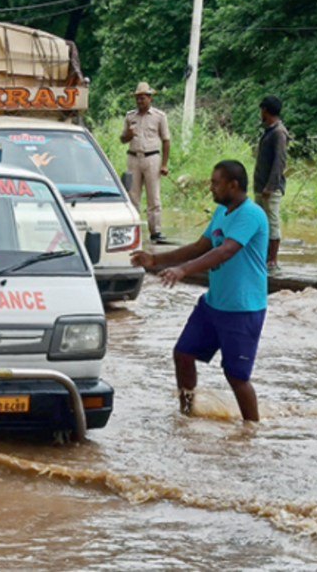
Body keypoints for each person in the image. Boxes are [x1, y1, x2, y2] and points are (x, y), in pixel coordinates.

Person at [131, 161, 269, 422]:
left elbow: (225, 250)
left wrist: (183, 271)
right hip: (213, 305)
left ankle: (251, 431)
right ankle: (187, 414)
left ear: (233, 185)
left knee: (236, 376)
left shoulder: (251, 215)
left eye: (215, 183)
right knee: (183, 354)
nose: (210, 188)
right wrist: (156, 259)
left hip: (242, 309)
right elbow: (200, 247)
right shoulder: (221, 211)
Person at [121, 82, 171, 243]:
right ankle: (132, 229)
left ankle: (155, 231)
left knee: (153, 197)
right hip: (133, 158)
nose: (139, 101)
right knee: (132, 195)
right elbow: (122, 139)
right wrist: (129, 134)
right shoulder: (130, 116)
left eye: (142, 98)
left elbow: (166, 141)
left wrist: (164, 164)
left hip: (152, 159)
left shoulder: (159, 116)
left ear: (149, 98)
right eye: (137, 98)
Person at [254, 95, 289, 272]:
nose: (261, 113)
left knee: (272, 223)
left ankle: (272, 261)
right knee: (259, 222)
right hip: (262, 187)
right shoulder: (270, 130)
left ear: (265, 110)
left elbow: (279, 162)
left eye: (261, 110)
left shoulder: (279, 133)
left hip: (270, 188)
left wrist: (270, 186)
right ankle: (261, 257)